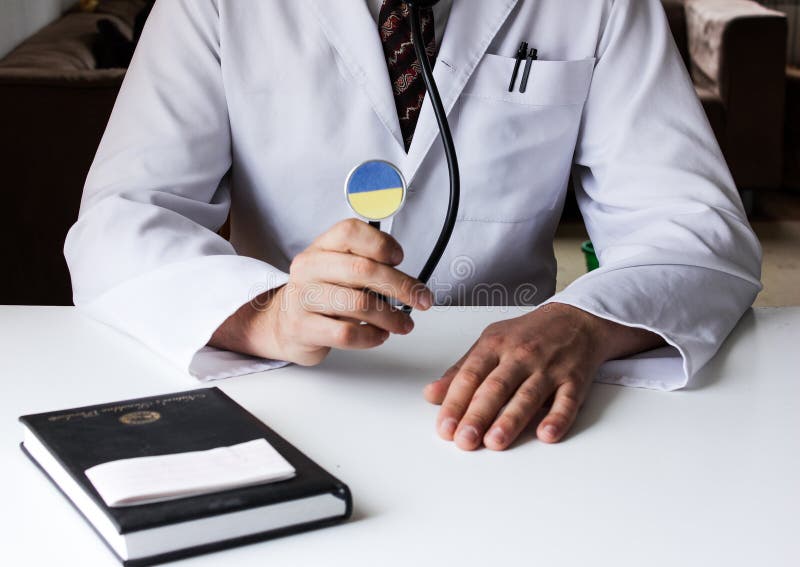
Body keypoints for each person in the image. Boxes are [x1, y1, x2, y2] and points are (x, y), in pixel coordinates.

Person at [65, 0, 762, 452]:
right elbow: (120, 220)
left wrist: (584, 323)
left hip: (521, 409)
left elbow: (694, 223)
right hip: (289, 396)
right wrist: (268, 314)